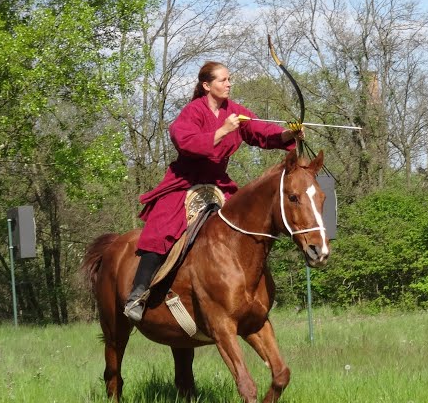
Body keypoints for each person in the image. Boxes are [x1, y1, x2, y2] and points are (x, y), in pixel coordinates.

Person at [124, 61, 304, 321]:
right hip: (185, 181)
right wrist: (222, 131)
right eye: (223, 80)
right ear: (206, 85)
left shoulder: (235, 111)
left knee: (249, 223)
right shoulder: (193, 111)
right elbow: (183, 140)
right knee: (161, 227)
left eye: (230, 79)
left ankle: (246, 290)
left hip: (219, 183)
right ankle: (137, 295)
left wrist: (289, 134)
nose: (229, 84)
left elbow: (261, 132)